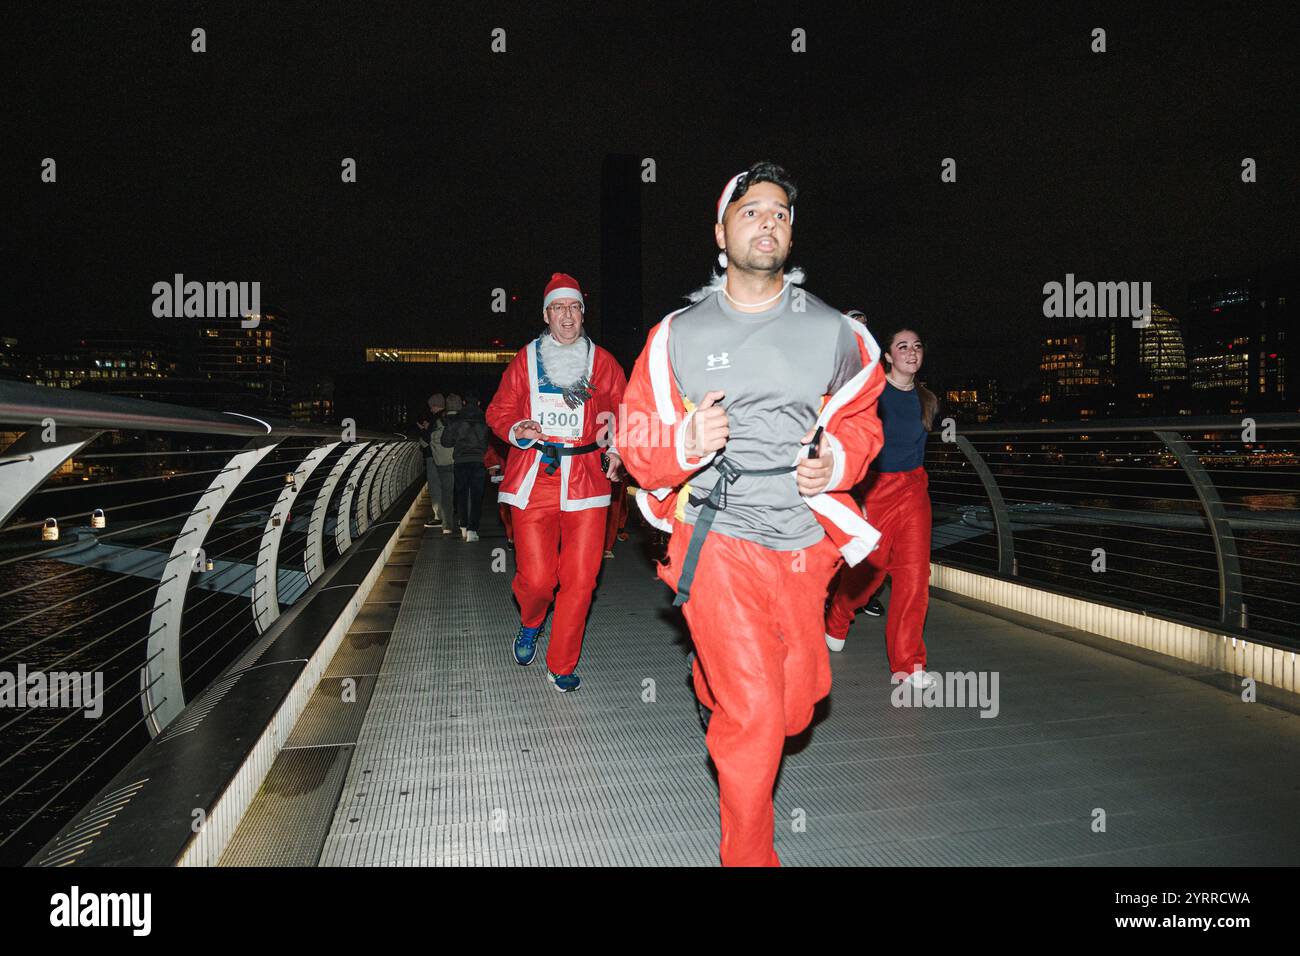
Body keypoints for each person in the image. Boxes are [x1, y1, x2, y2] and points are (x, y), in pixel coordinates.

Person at [617, 162, 886, 866]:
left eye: (780, 213)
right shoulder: (675, 334)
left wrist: (841, 463)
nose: (767, 221)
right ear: (720, 231)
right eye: (751, 211)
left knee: (797, 705)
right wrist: (683, 443)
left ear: (791, 235)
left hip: (802, 541)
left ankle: (708, 682)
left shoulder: (835, 333)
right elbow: (635, 438)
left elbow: (861, 421)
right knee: (758, 718)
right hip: (717, 536)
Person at [485, 273, 628, 693]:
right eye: (558, 308)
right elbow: (498, 411)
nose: (568, 316)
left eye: (575, 307)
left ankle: (561, 663)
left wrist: (618, 449)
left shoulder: (604, 363)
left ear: (583, 313)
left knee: (581, 581)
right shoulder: (524, 361)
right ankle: (531, 621)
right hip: (535, 477)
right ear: (546, 315)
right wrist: (517, 427)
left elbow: (624, 411)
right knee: (538, 580)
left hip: (587, 481)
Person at [824, 327, 939, 690]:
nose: (911, 351)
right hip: (876, 488)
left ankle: (909, 664)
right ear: (888, 356)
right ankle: (839, 616)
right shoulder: (873, 392)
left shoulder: (928, 399)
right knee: (869, 572)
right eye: (902, 346)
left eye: (917, 346)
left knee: (915, 577)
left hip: (914, 488)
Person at [440, 392, 489, 542]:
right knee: (476, 496)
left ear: (463, 402)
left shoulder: (456, 420)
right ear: (479, 403)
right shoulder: (486, 420)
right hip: (479, 461)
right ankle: (473, 529)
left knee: (461, 494)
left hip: (461, 461)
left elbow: (445, 442)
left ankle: (463, 525)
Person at [419, 394, 456, 531]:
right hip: (451, 457)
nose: (430, 409)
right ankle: (452, 519)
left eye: (431, 406)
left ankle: (440, 517)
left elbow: (426, 441)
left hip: (435, 457)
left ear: (434, 405)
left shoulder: (435, 419)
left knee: (437, 487)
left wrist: (424, 430)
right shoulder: (447, 417)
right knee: (449, 489)